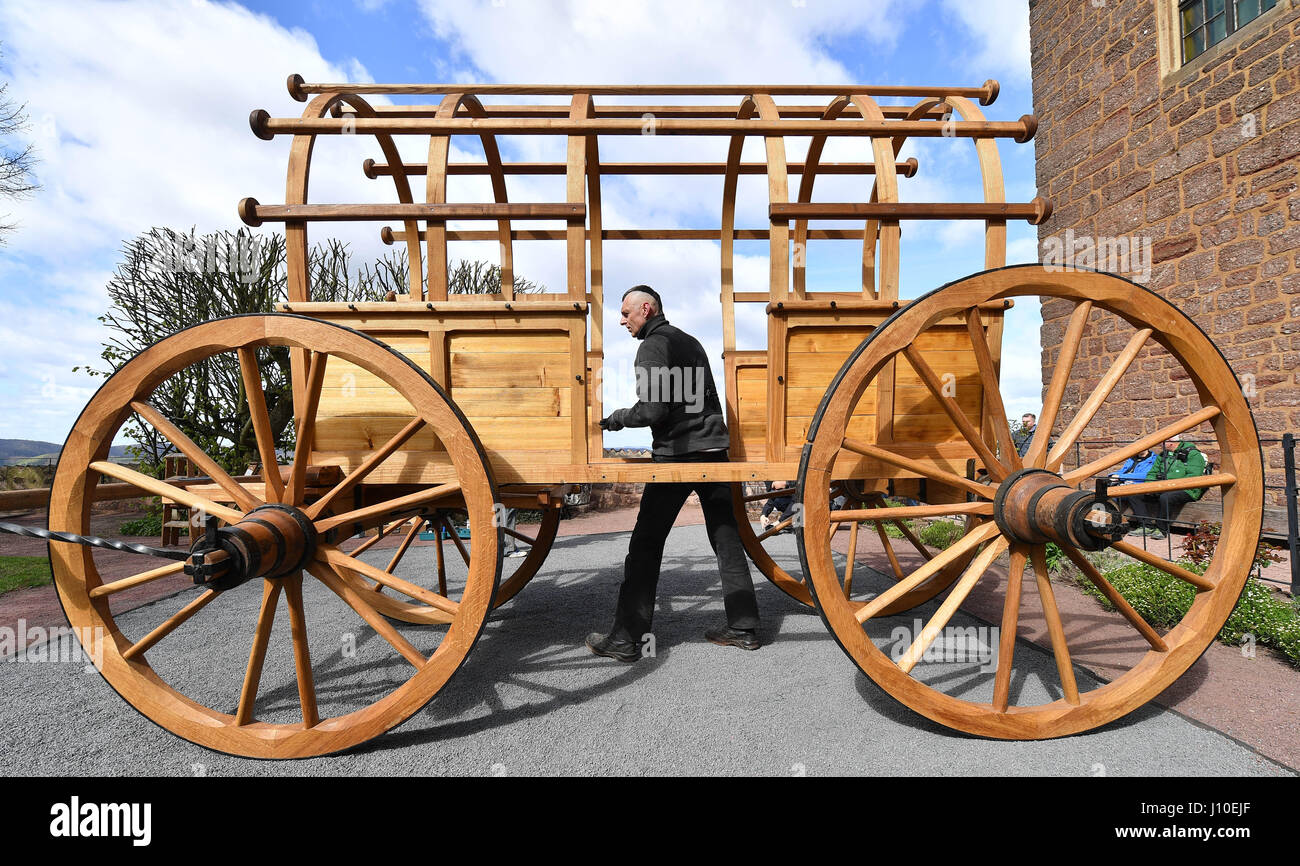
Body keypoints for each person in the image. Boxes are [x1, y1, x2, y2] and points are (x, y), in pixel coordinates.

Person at [586, 285, 761, 662]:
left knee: (646, 545)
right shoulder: (691, 341)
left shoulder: (652, 346)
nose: (621, 320)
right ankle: (743, 628)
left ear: (646, 309)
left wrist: (615, 419)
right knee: (726, 538)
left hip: (679, 457)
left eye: (626, 313)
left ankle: (626, 638)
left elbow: (652, 411)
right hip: (715, 452)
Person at [1127, 437, 1206, 540]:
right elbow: (1153, 473)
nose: (1160, 444)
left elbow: (1193, 477)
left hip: (1187, 489)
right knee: (1135, 495)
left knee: (1166, 497)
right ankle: (1146, 526)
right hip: (1162, 487)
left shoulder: (1193, 454)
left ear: (1172, 443)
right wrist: (1148, 487)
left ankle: (1161, 529)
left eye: (1163, 442)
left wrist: (1170, 486)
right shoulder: (1163, 455)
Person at [1110, 448, 1157, 533]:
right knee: (1107, 493)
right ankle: (1112, 522)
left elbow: (1146, 475)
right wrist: (1112, 475)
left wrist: (1121, 476)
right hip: (1124, 484)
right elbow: (1123, 471)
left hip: (1138, 486)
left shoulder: (1153, 459)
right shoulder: (1131, 459)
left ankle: (1146, 525)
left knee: (1132, 494)